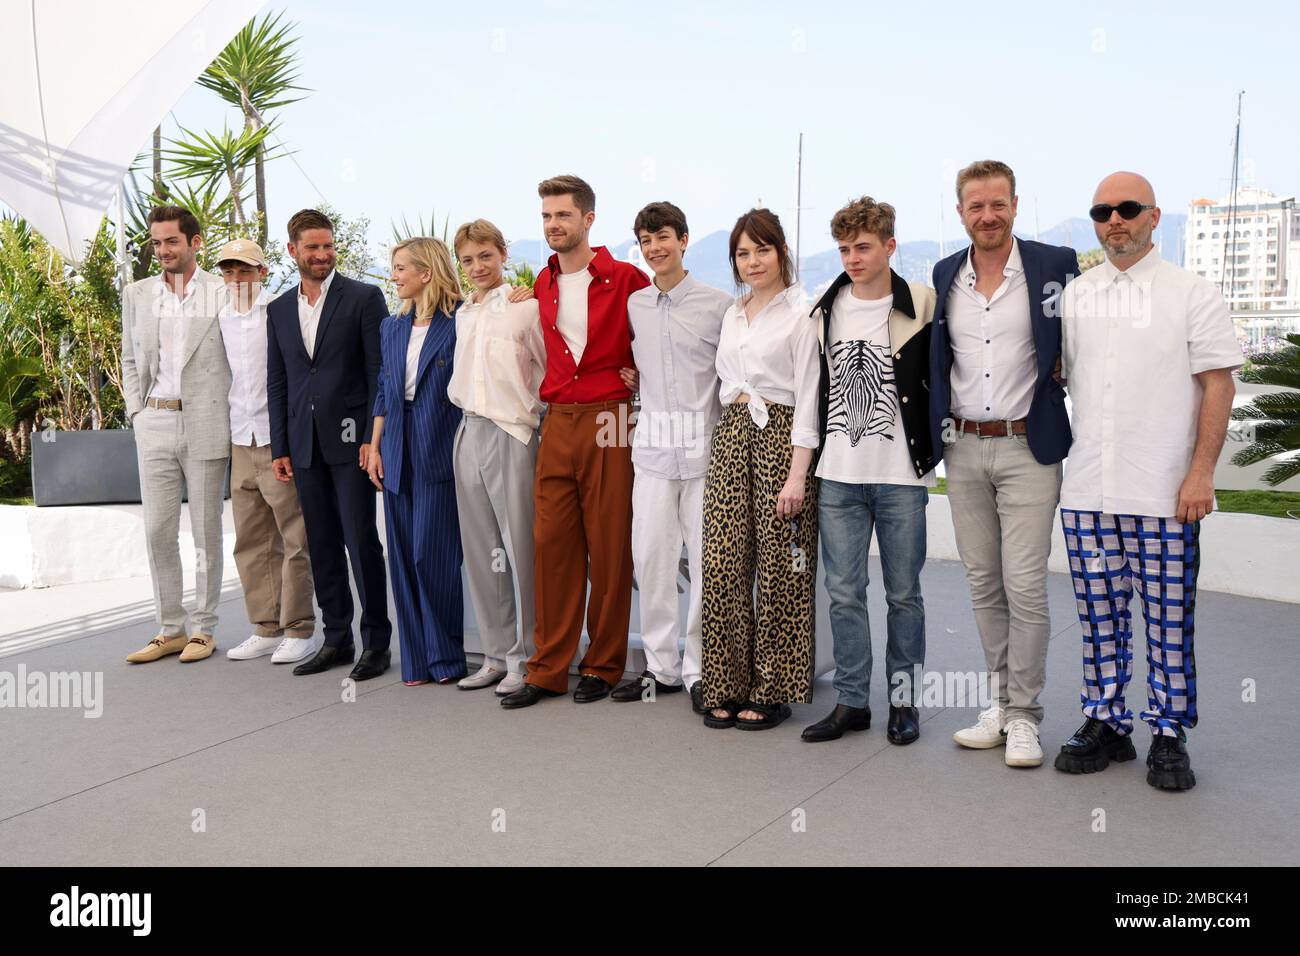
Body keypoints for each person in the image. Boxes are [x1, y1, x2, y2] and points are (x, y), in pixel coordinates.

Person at [1053, 172, 1240, 791]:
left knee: (1167, 621)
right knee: (1098, 618)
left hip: (1164, 491)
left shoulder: (1191, 292)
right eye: (1102, 210)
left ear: (1154, 217)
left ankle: (1167, 731)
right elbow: (1061, 376)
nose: (1115, 220)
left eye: (1127, 208)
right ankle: (1106, 721)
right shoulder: (1076, 295)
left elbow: (1219, 381)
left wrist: (1202, 473)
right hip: (1086, 492)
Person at [928, 160, 1079, 767]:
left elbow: (1080, 333)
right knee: (984, 584)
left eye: (998, 204)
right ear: (960, 212)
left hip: (1028, 447)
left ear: (1015, 204)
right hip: (962, 448)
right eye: (975, 206)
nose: (987, 216)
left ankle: (1025, 717)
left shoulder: (1053, 265)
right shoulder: (944, 274)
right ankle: (998, 704)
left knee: (1024, 586)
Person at [500, 174, 651, 709]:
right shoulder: (540, 284)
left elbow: (666, 337)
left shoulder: (628, 278)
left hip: (613, 418)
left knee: (609, 545)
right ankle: (547, 668)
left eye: (563, 215)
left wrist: (643, 378)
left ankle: (604, 665)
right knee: (553, 546)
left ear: (588, 219)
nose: (553, 225)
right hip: (558, 418)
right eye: (545, 216)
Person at [801, 197, 937, 745]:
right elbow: (811, 388)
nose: (852, 258)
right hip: (838, 474)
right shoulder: (824, 308)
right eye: (844, 249)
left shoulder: (924, 302)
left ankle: (904, 704)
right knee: (843, 592)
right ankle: (853, 701)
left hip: (902, 476)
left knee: (904, 594)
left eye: (863, 247)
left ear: (889, 246)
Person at [699, 208, 820, 731]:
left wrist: (798, 475)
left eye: (762, 250)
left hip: (783, 436)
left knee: (780, 569)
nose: (752, 261)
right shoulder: (732, 314)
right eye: (743, 253)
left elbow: (812, 398)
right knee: (722, 563)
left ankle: (773, 688)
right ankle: (723, 681)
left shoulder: (803, 313)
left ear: (782, 252)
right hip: (732, 433)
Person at [611, 201, 731, 713]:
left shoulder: (718, 304)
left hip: (705, 453)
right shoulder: (635, 305)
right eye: (645, 241)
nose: (654, 248)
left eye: (663, 237)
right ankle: (660, 668)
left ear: (684, 240)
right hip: (654, 454)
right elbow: (629, 363)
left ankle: (700, 669)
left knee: (706, 566)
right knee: (652, 562)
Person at [267, 208, 392, 681]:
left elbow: (378, 371)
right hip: (304, 445)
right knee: (320, 544)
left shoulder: (363, 297)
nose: (322, 255)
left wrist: (369, 438)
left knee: (362, 542)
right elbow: (277, 380)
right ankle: (337, 638)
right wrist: (282, 445)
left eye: (328, 246)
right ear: (293, 250)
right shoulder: (278, 309)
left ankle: (376, 644)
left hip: (352, 443)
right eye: (312, 247)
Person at [122, 205, 230, 665]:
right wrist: (136, 413)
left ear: (195, 242)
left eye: (172, 241)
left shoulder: (222, 291)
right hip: (155, 421)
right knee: (158, 531)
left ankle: (204, 629)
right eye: (157, 243)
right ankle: (170, 627)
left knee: (206, 530)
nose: (163, 251)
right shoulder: (138, 293)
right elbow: (129, 357)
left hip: (206, 420)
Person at [449, 219, 546, 697]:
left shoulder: (524, 309)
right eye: (467, 260)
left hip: (513, 433)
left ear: (503, 254)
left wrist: (533, 421)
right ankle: (493, 653)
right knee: (482, 551)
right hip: (468, 431)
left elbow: (549, 375)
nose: (477, 267)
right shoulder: (464, 313)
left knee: (518, 550)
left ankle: (524, 658)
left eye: (485, 256)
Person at [365, 238, 466, 685]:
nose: (394, 276)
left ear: (427, 272)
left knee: (432, 554)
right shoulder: (392, 327)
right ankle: (418, 662)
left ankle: (447, 658)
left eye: (402, 267)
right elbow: (386, 389)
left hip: (440, 443)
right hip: (396, 445)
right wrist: (373, 446)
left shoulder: (462, 319)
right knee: (401, 555)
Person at [216, 239, 319, 666]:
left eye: (245, 270)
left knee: (296, 538)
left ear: (261, 272)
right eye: (229, 271)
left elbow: (296, 375)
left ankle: (300, 629)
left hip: (279, 442)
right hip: (240, 438)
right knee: (252, 540)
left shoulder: (281, 311)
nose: (237, 278)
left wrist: (292, 438)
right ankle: (265, 626)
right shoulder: (218, 317)